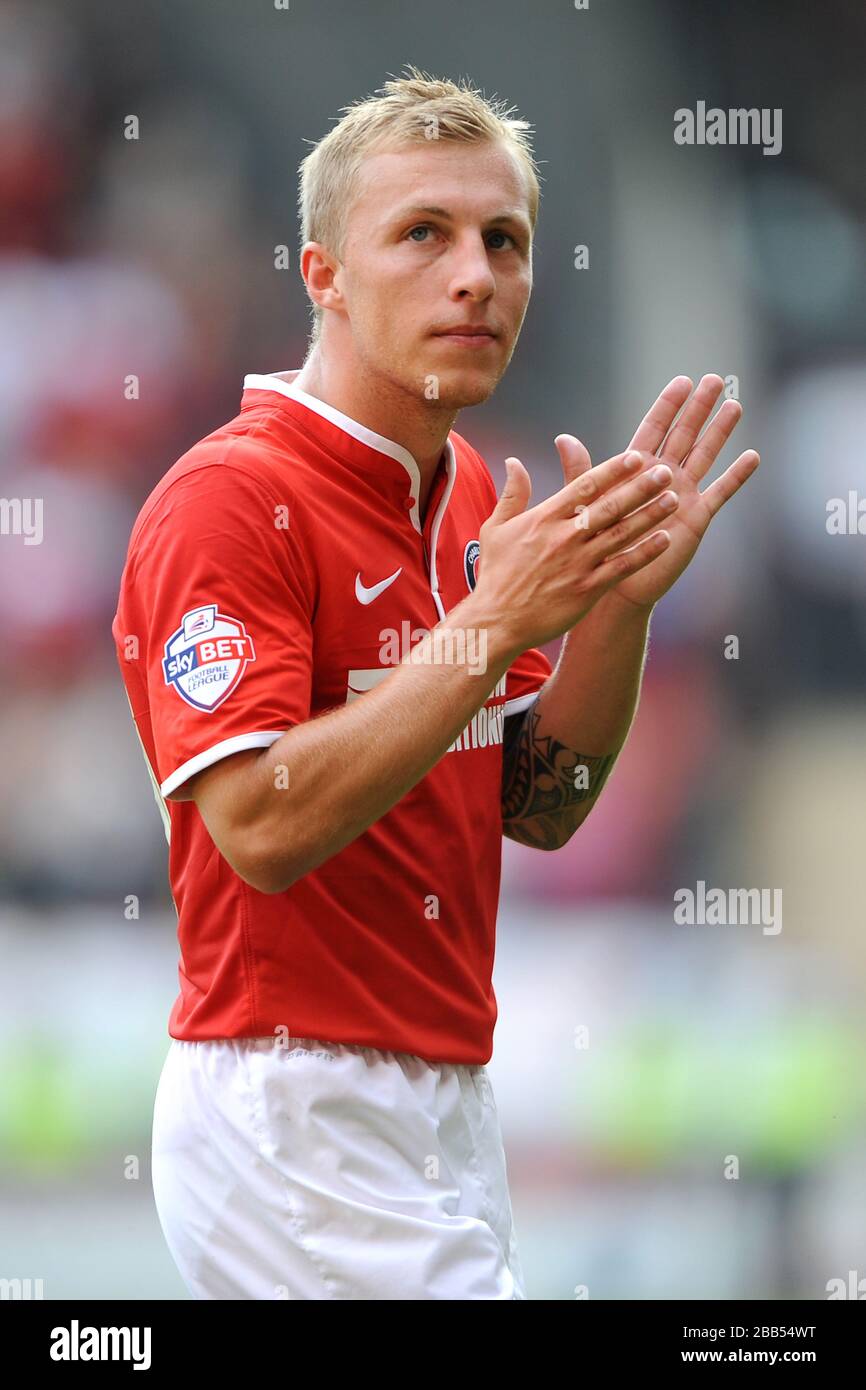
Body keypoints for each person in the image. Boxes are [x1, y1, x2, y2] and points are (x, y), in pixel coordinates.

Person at [111, 66, 758, 1300]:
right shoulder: (229, 498)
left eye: (502, 239)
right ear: (323, 278)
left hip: (447, 1095)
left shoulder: (469, 489)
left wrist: (615, 608)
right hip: (294, 1096)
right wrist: (490, 622)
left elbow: (540, 803)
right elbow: (257, 824)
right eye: (422, 233)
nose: (477, 274)